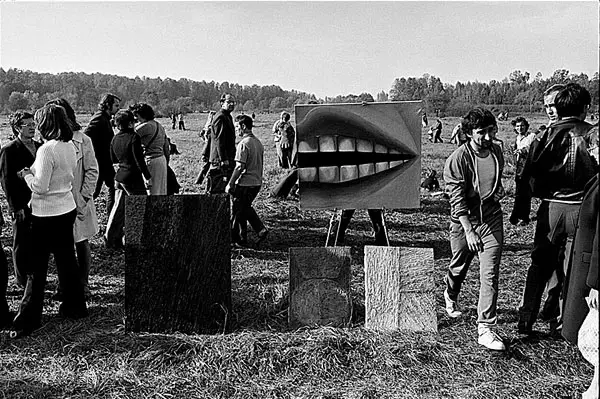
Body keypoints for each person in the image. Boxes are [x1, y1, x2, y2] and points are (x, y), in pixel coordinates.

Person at [515, 83, 597, 335]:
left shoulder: (543, 136)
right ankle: (564, 322)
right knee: (571, 270)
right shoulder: (593, 135)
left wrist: (521, 208)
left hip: (551, 207)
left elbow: (523, 173)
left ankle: (526, 317)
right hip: (583, 210)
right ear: (585, 108)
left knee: (539, 265)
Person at [12, 104, 88, 337]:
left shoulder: (46, 150)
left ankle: (28, 318)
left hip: (45, 214)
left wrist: (26, 175)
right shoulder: (69, 146)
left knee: (36, 267)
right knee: (67, 261)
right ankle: (75, 307)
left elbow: (41, 187)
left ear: (46, 124)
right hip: (66, 208)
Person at [443, 108, 506, 351]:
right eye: (482, 133)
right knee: (459, 265)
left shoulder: (497, 151)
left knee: (489, 273)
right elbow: (456, 199)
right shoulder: (457, 159)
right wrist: (469, 230)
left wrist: (497, 192)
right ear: (469, 133)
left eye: (492, 131)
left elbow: (495, 181)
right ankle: (450, 292)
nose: (488, 138)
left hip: (491, 219)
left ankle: (485, 328)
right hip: (464, 223)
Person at [46, 98, 99, 300]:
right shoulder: (49, 142)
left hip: (79, 200)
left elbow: (92, 171)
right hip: (58, 201)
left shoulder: (83, 139)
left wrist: (84, 197)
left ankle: (83, 283)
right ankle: (64, 284)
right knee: (61, 245)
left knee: (81, 241)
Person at [561, 126, 598, 399]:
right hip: (587, 264)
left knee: (595, 336)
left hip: (593, 270)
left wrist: (596, 283)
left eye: (596, 147)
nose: (593, 153)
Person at [0, 111, 40, 288]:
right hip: (21, 204)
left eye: (33, 123)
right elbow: (6, 181)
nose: (33, 127)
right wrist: (16, 207)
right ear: (17, 128)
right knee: (21, 243)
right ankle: (21, 279)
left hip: (39, 202)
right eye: (27, 124)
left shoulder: (40, 147)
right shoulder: (9, 150)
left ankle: (34, 277)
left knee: (36, 242)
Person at [104, 110, 152, 248]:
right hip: (132, 178)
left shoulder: (114, 138)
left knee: (117, 209)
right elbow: (139, 160)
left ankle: (110, 238)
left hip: (119, 177)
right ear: (131, 123)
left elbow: (112, 158)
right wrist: (148, 177)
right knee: (138, 208)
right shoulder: (134, 137)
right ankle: (134, 240)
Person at [225, 114, 268, 247]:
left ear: (243, 127)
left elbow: (239, 166)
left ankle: (235, 239)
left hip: (245, 184)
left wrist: (230, 183)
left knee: (237, 212)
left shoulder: (243, 144)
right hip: (256, 183)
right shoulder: (257, 142)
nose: (237, 130)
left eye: (238, 127)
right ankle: (242, 238)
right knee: (243, 210)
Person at [84, 93, 120, 215]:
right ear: (107, 105)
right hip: (99, 161)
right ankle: (81, 213)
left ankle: (110, 216)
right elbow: (86, 137)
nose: (118, 108)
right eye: (116, 105)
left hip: (105, 161)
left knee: (113, 187)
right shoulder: (99, 118)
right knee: (94, 192)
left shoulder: (104, 118)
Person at [129, 103, 170, 195]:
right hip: (161, 160)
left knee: (151, 191)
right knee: (161, 191)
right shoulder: (159, 126)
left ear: (140, 115)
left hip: (151, 160)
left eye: (136, 115)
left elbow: (129, 137)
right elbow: (166, 146)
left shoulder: (145, 126)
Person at [509, 117, 535, 226]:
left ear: (526, 126)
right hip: (519, 168)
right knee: (519, 193)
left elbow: (532, 149)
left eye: (522, 125)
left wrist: (523, 150)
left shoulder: (531, 136)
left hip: (529, 169)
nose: (520, 128)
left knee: (526, 193)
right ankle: (516, 216)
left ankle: (524, 217)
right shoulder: (517, 138)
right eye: (518, 126)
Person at [207, 93, 236, 194]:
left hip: (227, 158)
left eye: (233, 102)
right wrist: (223, 159)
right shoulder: (220, 117)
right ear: (222, 103)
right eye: (229, 102)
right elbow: (219, 140)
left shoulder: (227, 116)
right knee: (217, 189)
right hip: (221, 161)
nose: (232, 104)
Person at [195, 111, 216, 186]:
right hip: (210, 148)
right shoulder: (212, 126)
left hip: (208, 146)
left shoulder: (208, 125)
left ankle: (200, 180)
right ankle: (199, 181)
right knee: (207, 166)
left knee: (206, 166)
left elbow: (202, 135)